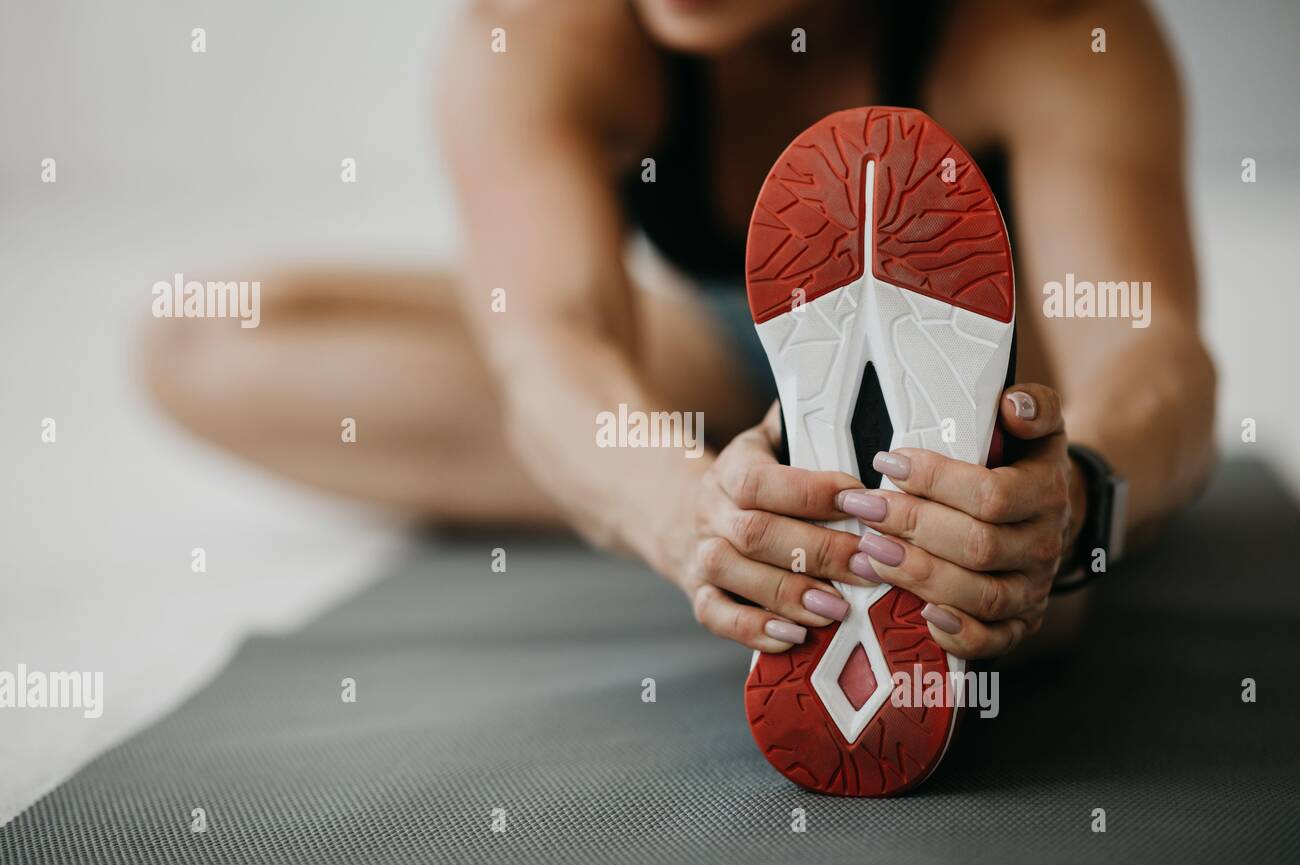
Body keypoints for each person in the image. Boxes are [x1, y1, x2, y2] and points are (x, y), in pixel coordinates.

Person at [142, 0, 1215, 661]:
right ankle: (769, 487)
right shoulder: (542, 28)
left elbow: (1146, 351)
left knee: (1021, 599)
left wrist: (1077, 496)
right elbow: (550, 346)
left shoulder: (1046, 26)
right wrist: (686, 515)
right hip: (708, 350)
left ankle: (931, 522)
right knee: (199, 336)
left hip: (979, 404)